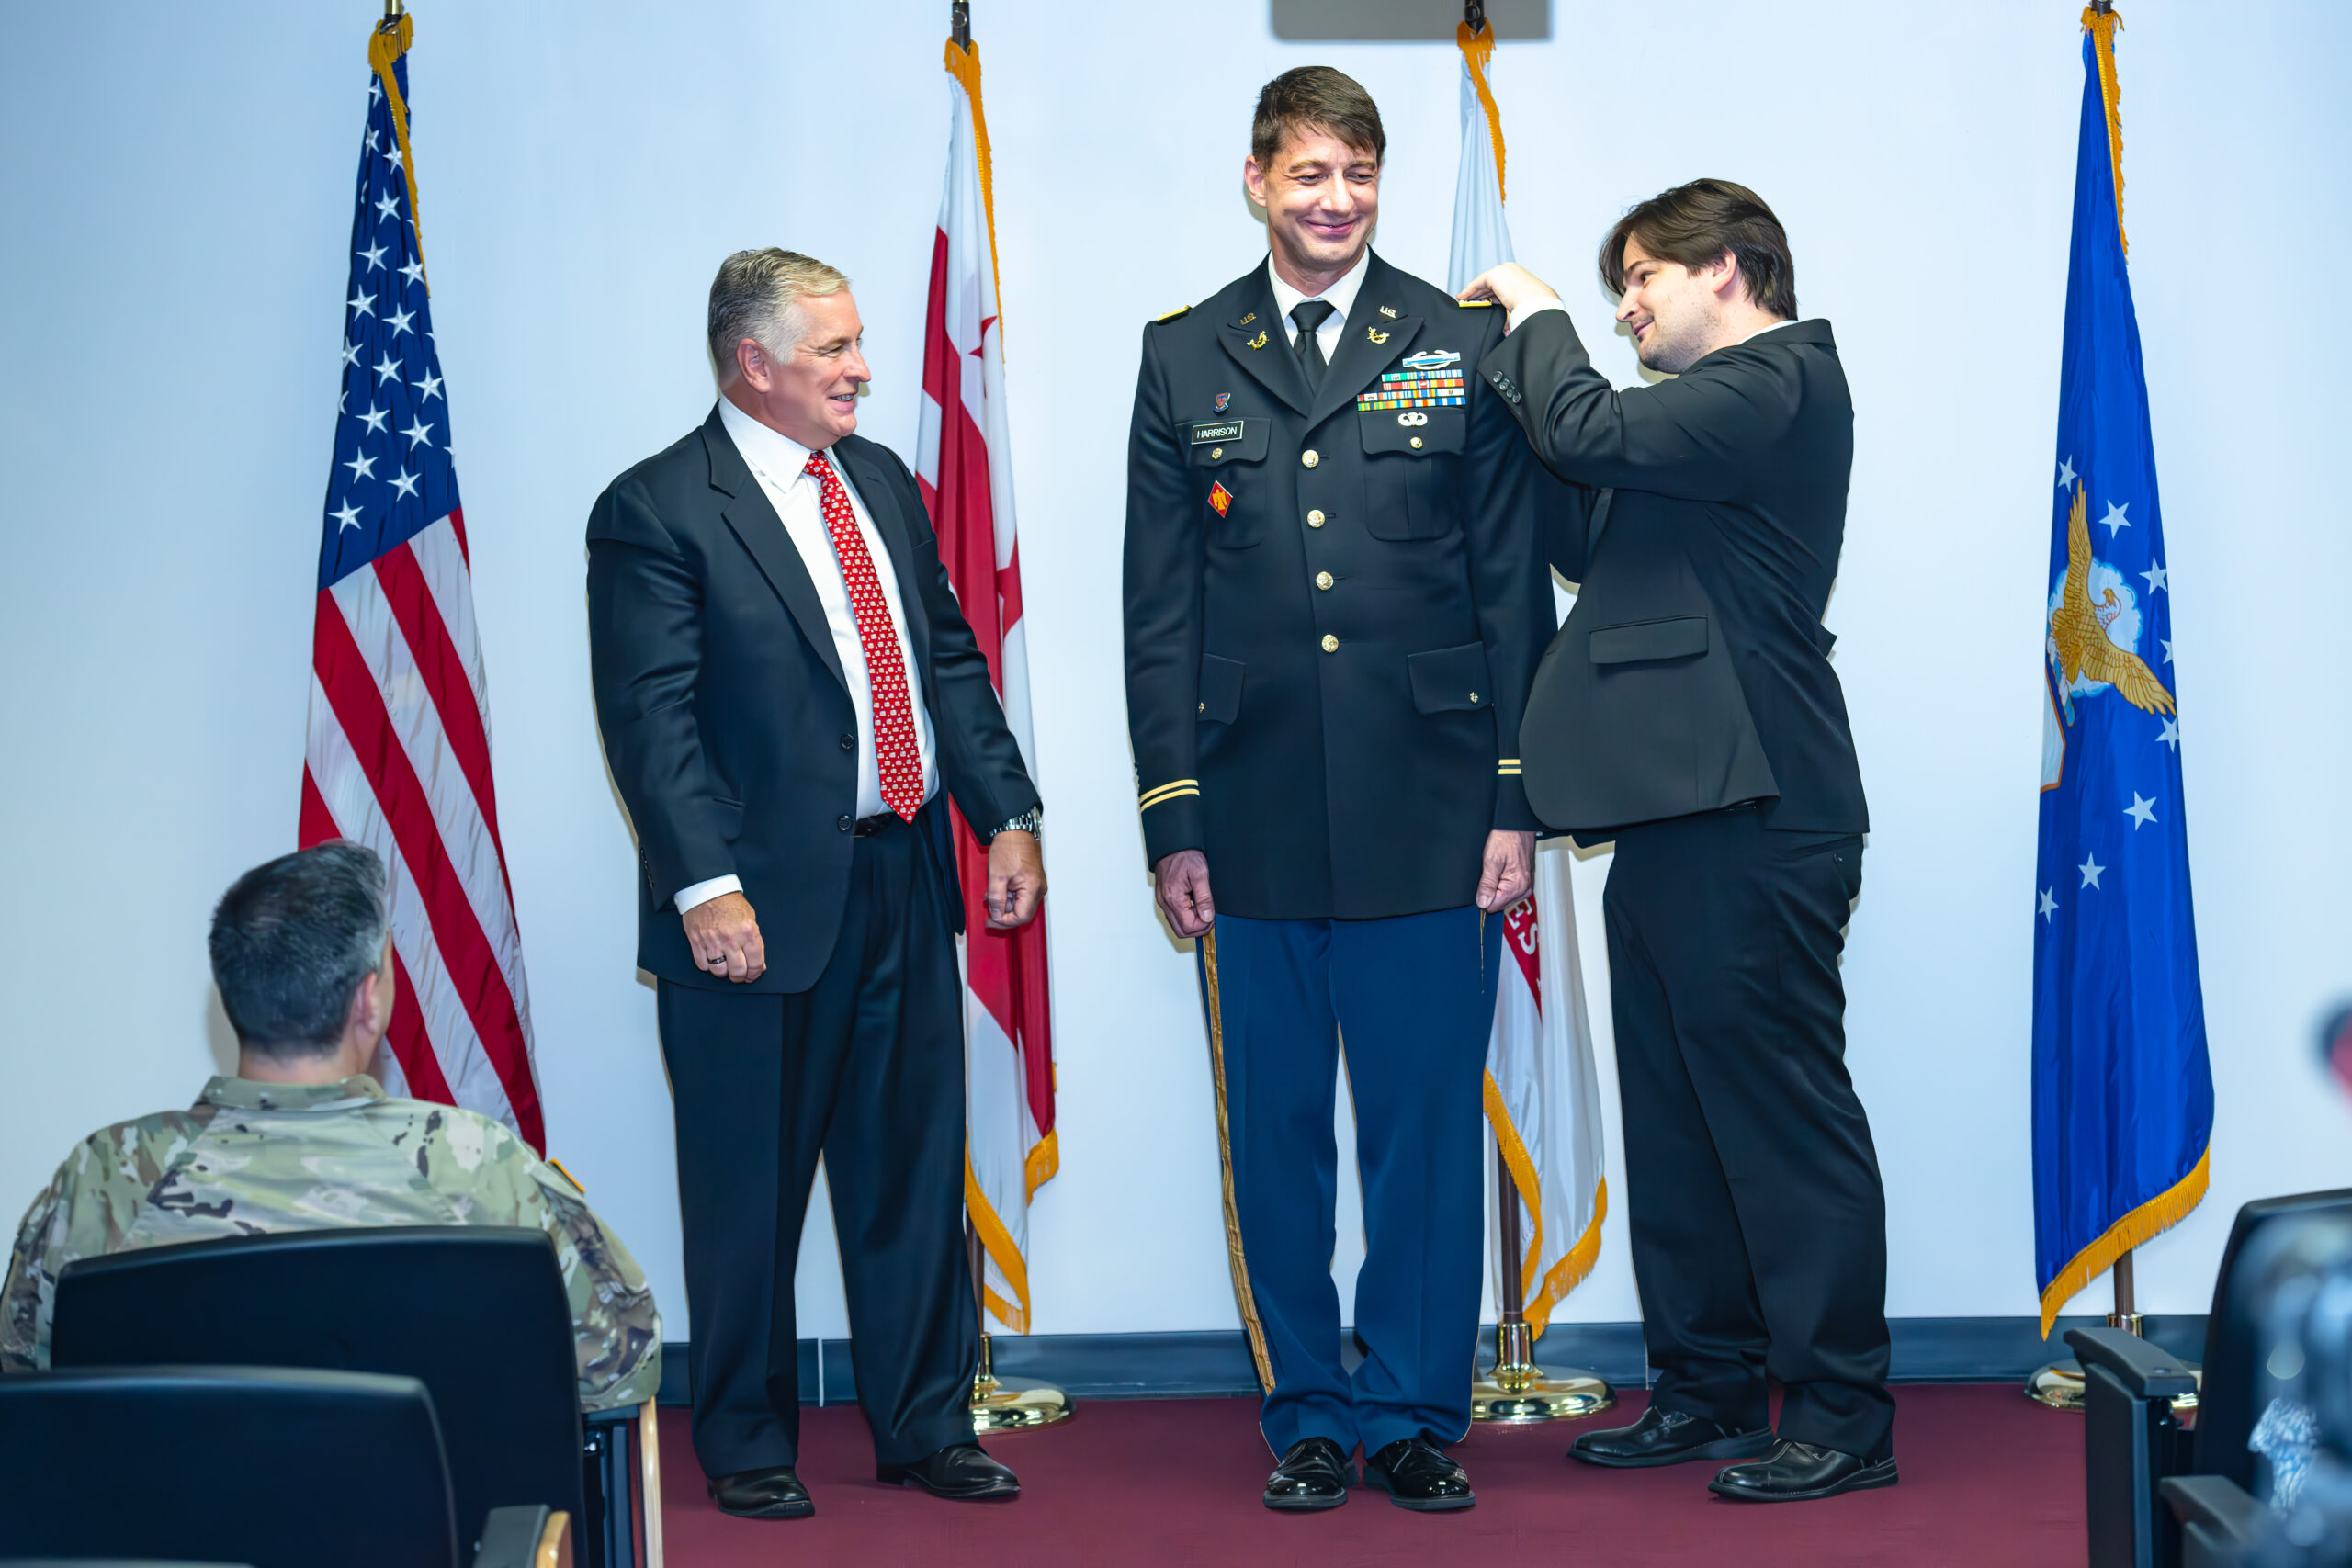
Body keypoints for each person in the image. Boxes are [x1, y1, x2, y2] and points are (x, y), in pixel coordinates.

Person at [1123, 67, 1556, 1514]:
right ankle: (1308, 1407)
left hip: (1433, 806)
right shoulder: (1185, 353)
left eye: (1358, 175)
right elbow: (1158, 607)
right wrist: (1170, 815)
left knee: (1426, 1126)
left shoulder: (1453, 340)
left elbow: (1508, 582)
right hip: (1244, 816)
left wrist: (1516, 797)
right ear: (1257, 179)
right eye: (1308, 174)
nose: (1336, 201)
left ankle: (1418, 1408)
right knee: (1284, 1136)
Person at [586, 249, 1046, 1519]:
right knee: (749, 1190)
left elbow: (949, 662)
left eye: (856, 344)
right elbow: (652, 724)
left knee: (910, 1169)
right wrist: (703, 886)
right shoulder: (659, 506)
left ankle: (926, 1423)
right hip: (752, 906)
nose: (860, 368)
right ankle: (742, 1439)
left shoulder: (884, 482)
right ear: (756, 363)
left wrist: (1005, 811)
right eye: (834, 348)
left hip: (901, 876)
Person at [1459, 179, 1892, 1503]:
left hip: (1760, 809)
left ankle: (1840, 1414)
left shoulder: (1780, 380)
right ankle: (1705, 1386)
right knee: (1682, 1121)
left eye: (1643, 277)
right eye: (1612, 288)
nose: (1628, 304)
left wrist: (1534, 316)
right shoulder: (1687, 439)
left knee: (1777, 1120)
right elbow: (1579, 504)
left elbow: (1587, 423)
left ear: (1730, 269)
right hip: (1668, 814)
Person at [0, 841, 660, 1413]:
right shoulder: (475, 1162)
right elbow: (621, 1368)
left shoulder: (104, 1174)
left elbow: (25, 1370)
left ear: (231, 992)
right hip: (426, 1536)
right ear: (367, 1002)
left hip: (160, 1541)